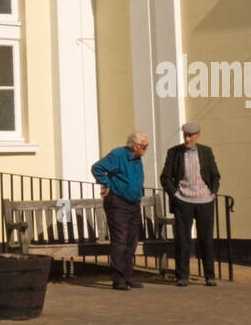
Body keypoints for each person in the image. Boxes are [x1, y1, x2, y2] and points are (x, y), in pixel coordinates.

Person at [160, 121, 221, 286]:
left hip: (205, 200)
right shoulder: (174, 152)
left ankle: (210, 276)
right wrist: (175, 194)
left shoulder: (206, 151)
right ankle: (182, 276)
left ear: (197, 136)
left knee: (206, 239)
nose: (187, 139)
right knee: (183, 239)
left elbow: (215, 175)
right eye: (185, 135)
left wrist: (213, 192)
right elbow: (164, 177)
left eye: (190, 136)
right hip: (183, 200)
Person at [91, 131, 149, 290]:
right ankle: (118, 279)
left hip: (133, 203)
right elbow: (97, 168)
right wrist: (107, 184)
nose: (146, 150)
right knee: (120, 240)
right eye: (144, 147)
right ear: (135, 146)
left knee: (131, 241)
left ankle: (128, 276)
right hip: (118, 203)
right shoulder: (118, 155)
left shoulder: (138, 159)